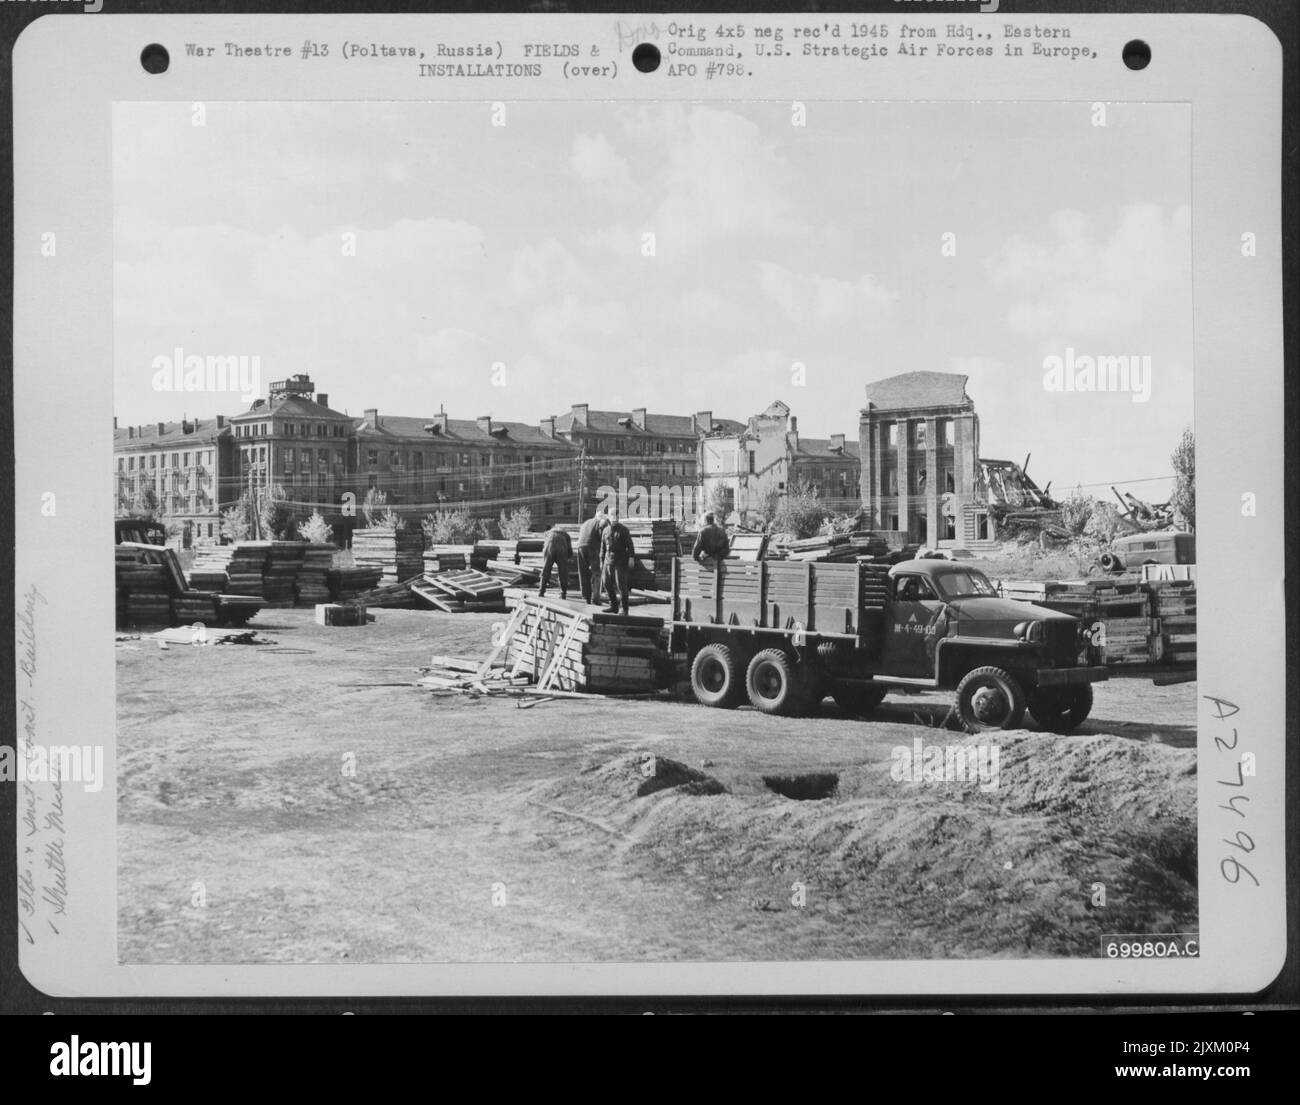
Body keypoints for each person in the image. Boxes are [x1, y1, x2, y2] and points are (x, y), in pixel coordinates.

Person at [600, 508, 635, 616]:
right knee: (606, 583)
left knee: (621, 586)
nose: (614, 518)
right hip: (607, 559)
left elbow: (630, 545)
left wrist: (631, 557)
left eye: (616, 516)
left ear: (618, 517)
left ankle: (624, 609)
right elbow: (602, 548)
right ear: (608, 518)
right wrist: (601, 561)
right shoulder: (605, 530)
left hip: (620, 560)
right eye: (612, 516)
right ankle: (613, 606)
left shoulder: (624, 530)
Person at [575, 507, 608, 606]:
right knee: (596, 573)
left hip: (580, 547)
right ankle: (596, 599)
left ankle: (586, 597)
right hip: (592, 548)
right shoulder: (600, 522)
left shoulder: (585, 523)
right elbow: (602, 536)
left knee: (583, 573)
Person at [537, 523, 573, 599]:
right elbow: (570, 550)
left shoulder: (548, 533)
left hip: (550, 543)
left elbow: (544, 548)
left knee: (546, 568)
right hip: (562, 546)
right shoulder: (566, 535)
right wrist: (569, 557)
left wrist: (545, 558)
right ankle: (563, 593)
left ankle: (541, 591)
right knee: (563, 570)